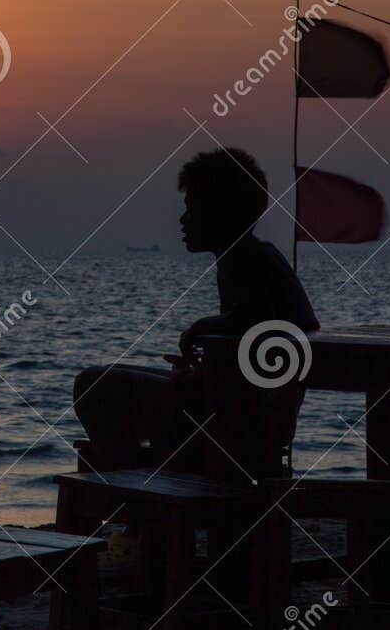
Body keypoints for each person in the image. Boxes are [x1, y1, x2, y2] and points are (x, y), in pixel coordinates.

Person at [74, 147, 318, 480]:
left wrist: (199, 329)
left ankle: (135, 484)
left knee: (93, 387)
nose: (182, 220)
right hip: (248, 414)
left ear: (219, 213)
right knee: (109, 374)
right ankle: (148, 473)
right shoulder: (258, 256)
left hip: (239, 424)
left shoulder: (241, 260)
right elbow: (254, 346)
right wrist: (204, 373)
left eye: (191, 209)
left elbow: (252, 320)